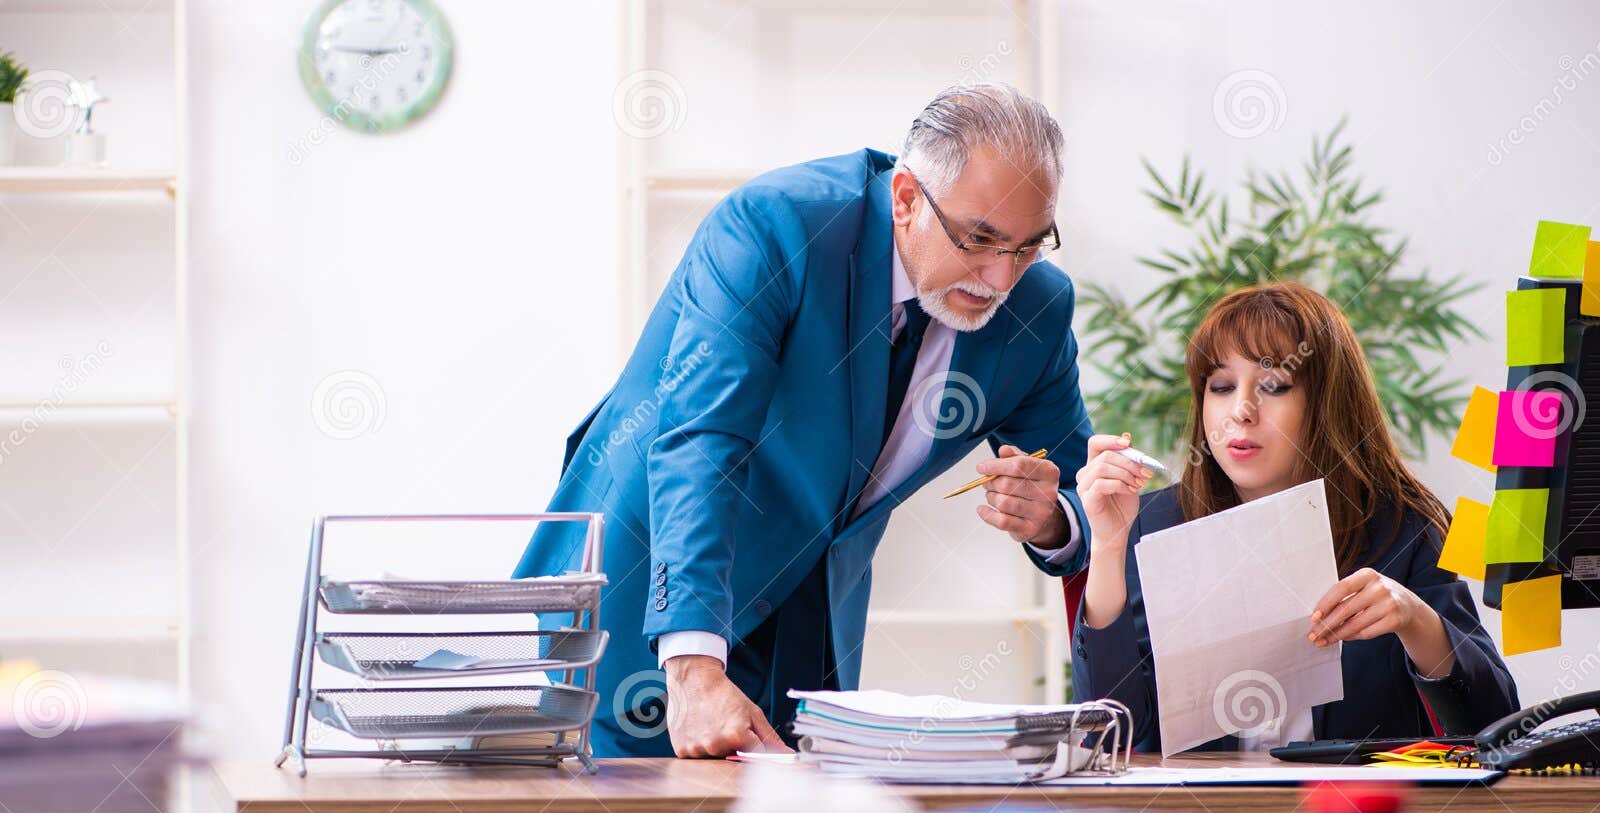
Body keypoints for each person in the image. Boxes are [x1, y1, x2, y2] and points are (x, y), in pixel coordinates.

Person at [515, 84, 1097, 757]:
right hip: (645, 592)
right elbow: (702, 441)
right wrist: (697, 671)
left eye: (1028, 247)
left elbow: (1080, 490)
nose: (1000, 277)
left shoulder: (1038, 310)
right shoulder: (776, 226)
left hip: (811, 622)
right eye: (980, 239)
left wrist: (1053, 518)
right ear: (905, 198)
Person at [1071, 282, 1518, 751]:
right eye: (1220, 387)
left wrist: (1416, 620)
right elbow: (1107, 737)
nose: (1240, 411)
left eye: (1274, 386)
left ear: (1327, 402)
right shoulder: (1153, 524)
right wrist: (1107, 546)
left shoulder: (1403, 527)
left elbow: (1496, 724)